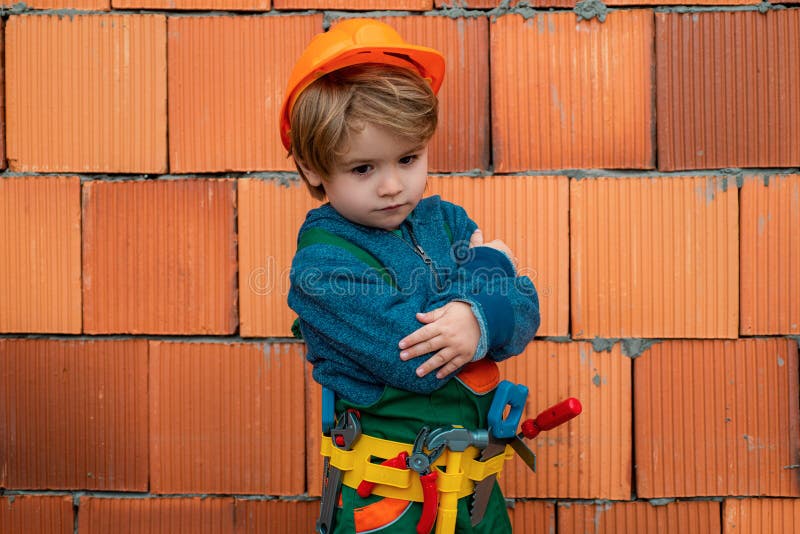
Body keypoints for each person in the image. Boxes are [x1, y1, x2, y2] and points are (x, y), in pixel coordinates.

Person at [282, 18, 540, 534]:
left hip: (474, 492)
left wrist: (479, 318)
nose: (392, 186)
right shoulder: (322, 267)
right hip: (393, 502)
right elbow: (415, 358)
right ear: (314, 169)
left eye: (408, 158)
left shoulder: (446, 221)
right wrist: (490, 273)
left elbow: (527, 308)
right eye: (363, 169)